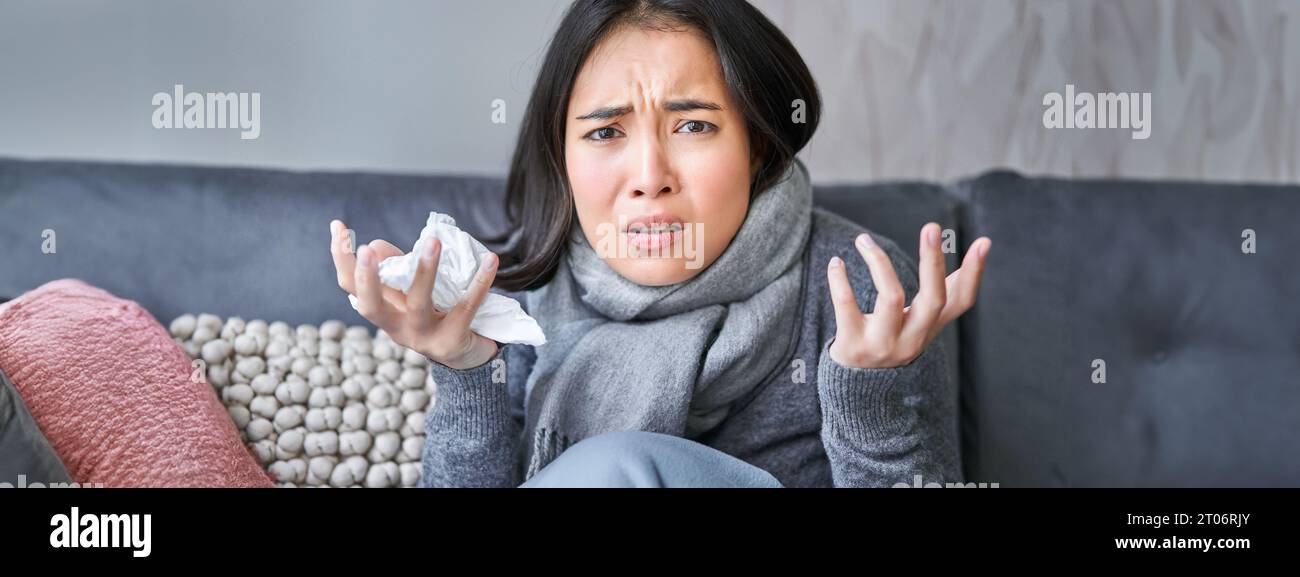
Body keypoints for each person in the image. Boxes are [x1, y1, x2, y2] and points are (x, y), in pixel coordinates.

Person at [329, 0, 991, 488]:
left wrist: (866, 393)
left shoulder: (856, 285)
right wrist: (468, 367)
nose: (650, 178)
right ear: (563, 156)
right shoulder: (526, 291)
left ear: (757, 140)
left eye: (694, 125)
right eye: (604, 133)